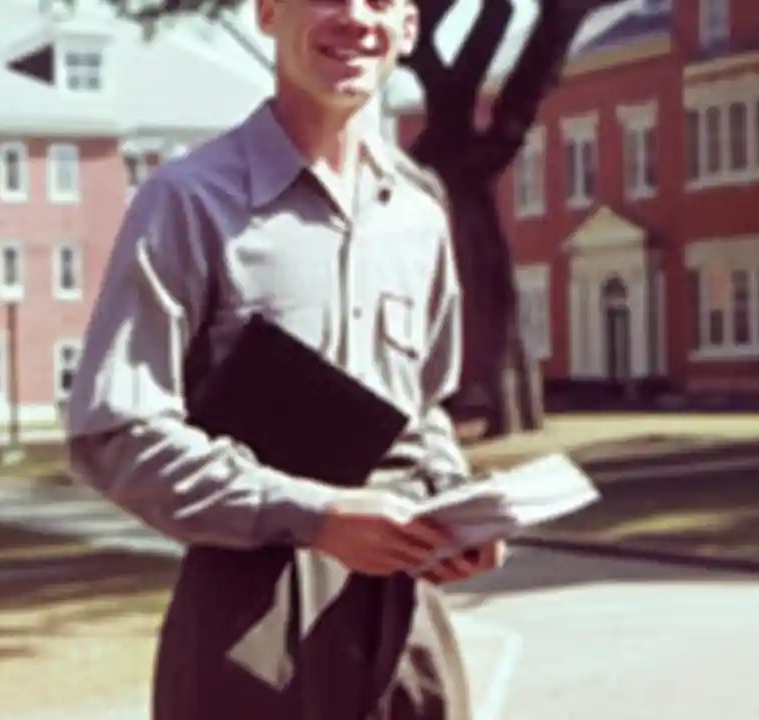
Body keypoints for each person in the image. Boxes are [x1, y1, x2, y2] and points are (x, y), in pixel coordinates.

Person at [65, 0, 503, 716]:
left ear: (411, 28)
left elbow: (423, 416)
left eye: (382, 1)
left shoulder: (418, 215)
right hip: (251, 627)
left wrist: (457, 517)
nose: (356, 18)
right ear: (268, 12)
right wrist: (313, 514)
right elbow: (113, 433)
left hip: (404, 627)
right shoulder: (188, 202)